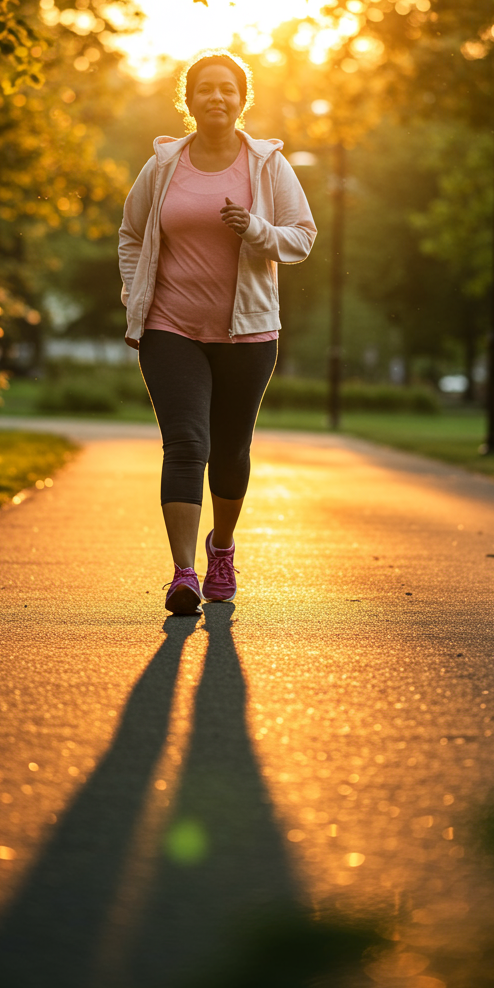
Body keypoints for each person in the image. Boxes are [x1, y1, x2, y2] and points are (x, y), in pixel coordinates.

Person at [118, 49, 317, 615]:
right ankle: (183, 573)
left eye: (227, 88)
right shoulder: (163, 165)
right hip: (170, 327)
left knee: (230, 452)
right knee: (186, 445)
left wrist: (255, 229)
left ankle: (221, 549)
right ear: (189, 99)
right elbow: (131, 234)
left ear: (241, 99)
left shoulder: (267, 164)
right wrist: (136, 293)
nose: (216, 97)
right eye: (205, 88)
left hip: (247, 334)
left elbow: (302, 237)